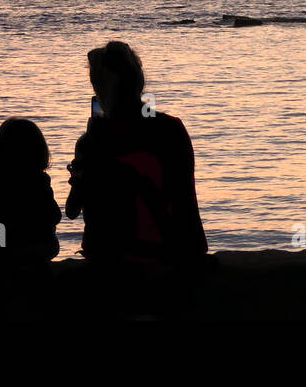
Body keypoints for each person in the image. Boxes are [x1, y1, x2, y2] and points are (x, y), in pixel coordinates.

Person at [65, 41, 207, 265]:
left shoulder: (93, 140)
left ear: (100, 90)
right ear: (138, 81)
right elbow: (183, 200)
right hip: (171, 257)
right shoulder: (171, 129)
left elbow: (72, 209)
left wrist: (81, 167)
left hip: (111, 263)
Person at [0, 117, 61, 266]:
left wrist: (3, 248)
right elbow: (54, 216)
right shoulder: (39, 180)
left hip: (1, 250)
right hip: (38, 247)